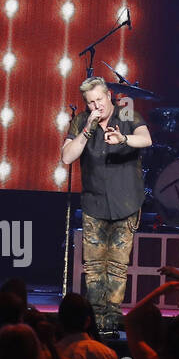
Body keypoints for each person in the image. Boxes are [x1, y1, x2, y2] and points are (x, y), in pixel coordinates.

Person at [61, 76, 152, 335]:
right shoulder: (81, 121)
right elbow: (67, 156)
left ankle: (112, 316)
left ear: (109, 96)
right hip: (94, 201)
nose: (96, 106)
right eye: (91, 102)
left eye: (99, 99)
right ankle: (95, 316)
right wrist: (87, 130)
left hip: (126, 200)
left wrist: (123, 139)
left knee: (117, 264)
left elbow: (146, 139)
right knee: (94, 265)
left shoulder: (126, 112)